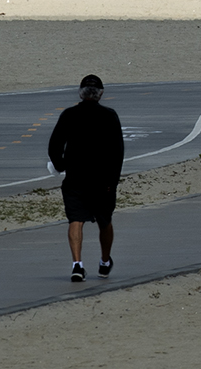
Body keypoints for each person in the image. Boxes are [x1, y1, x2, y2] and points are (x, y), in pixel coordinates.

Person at [47, 74, 125, 283]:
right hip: (103, 180)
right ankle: (104, 261)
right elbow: (117, 152)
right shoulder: (109, 115)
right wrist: (113, 181)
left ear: (80, 93)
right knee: (104, 220)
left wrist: (60, 165)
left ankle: (77, 264)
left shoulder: (69, 115)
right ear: (100, 94)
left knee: (76, 220)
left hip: (76, 177)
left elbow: (54, 145)